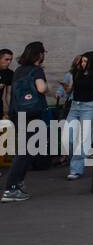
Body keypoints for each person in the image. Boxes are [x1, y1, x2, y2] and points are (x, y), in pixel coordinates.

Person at [2, 42, 50, 202]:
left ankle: (18, 183)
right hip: (32, 113)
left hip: (18, 113)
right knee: (25, 151)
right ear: (39, 55)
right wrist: (47, 87)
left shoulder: (18, 71)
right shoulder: (37, 71)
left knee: (26, 149)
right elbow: (41, 88)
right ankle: (11, 188)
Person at [66, 51, 93, 181]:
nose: (82, 63)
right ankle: (78, 159)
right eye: (82, 61)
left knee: (84, 138)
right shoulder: (77, 73)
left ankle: (75, 169)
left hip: (89, 107)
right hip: (74, 106)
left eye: (85, 61)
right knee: (68, 137)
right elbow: (70, 89)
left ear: (91, 63)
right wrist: (65, 88)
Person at [0, 48, 13, 119]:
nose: (9, 62)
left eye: (10, 60)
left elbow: (8, 94)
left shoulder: (9, 73)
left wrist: (11, 109)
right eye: (6, 59)